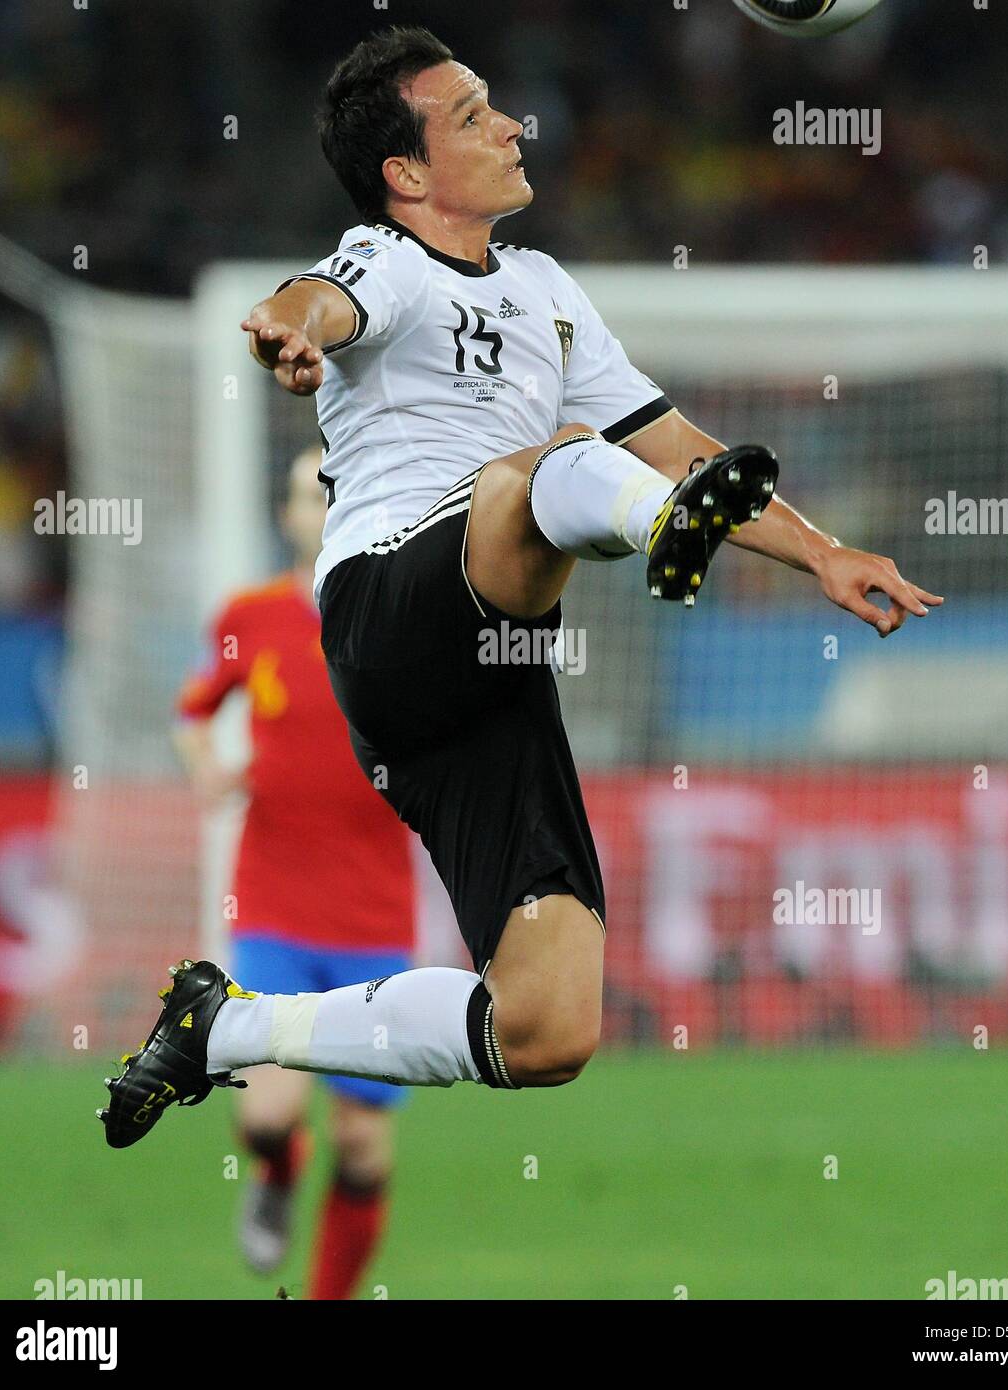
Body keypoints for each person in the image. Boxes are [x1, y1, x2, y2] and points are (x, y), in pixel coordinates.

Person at [101, 25, 941, 1144]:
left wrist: (823, 550)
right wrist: (280, 328)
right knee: (538, 470)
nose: (509, 125)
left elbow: (673, 439)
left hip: (492, 674)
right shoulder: (387, 261)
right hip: (389, 609)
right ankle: (654, 535)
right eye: (470, 115)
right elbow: (314, 298)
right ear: (406, 173)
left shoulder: (544, 289)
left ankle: (220, 1030)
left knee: (547, 1029)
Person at [171, 447, 416, 1298]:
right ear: (288, 515)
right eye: (305, 495)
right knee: (268, 1113)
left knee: (362, 1143)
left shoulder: (403, 617)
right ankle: (277, 1172)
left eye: (337, 491)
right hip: (272, 905)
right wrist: (205, 764)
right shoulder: (252, 616)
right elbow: (193, 711)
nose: (319, 507)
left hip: (375, 921)